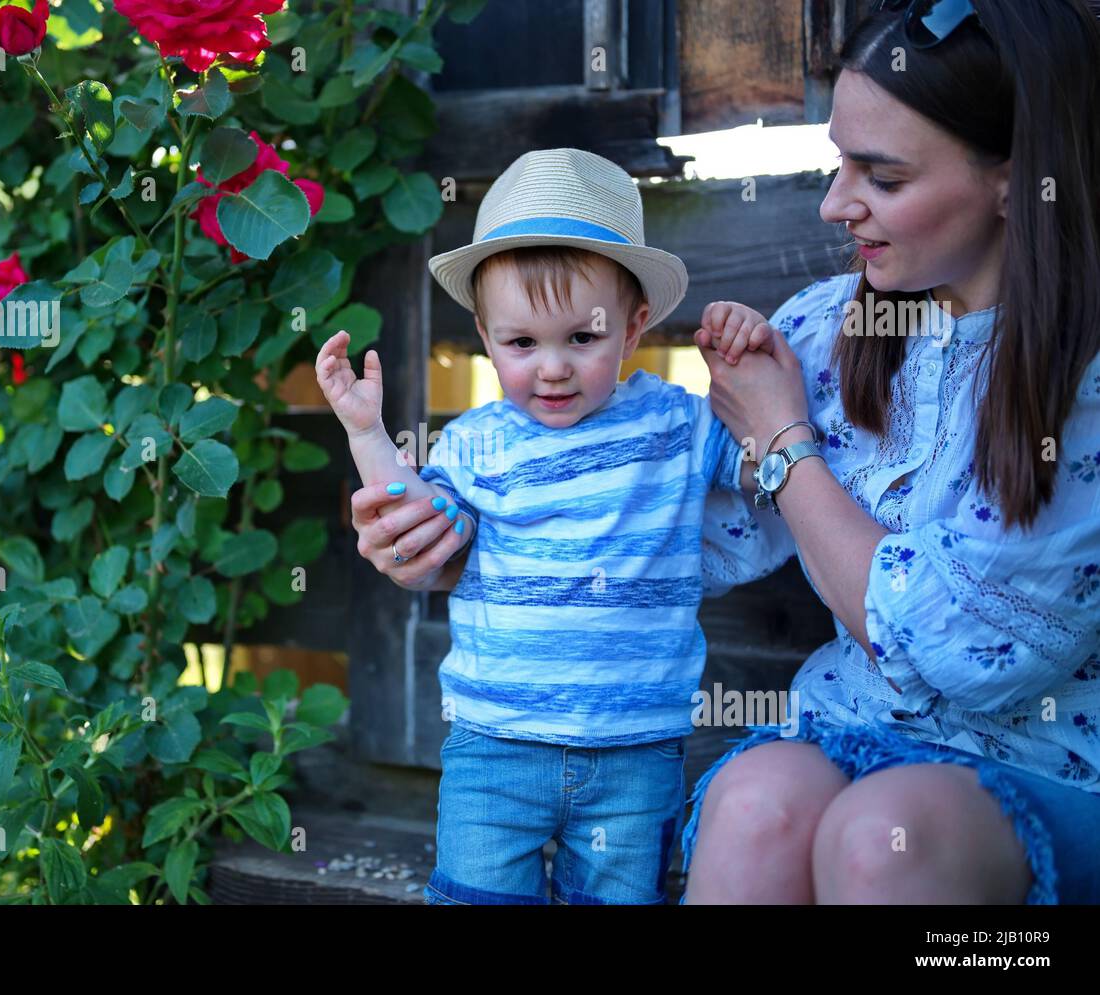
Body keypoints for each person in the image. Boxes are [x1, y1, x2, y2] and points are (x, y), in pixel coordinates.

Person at [356, 0, 1100, 905]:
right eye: (837, 161)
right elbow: (678, 531)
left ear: (1017, 179)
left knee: (882, 840)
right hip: (852, 724)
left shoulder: (1081, 379)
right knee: (752, 805)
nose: (836, 203)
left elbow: (971, 656)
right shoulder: (823, 336)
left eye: (884, 175)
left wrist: (787, 444)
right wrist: (464, 544)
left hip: (1040, 759)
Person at [315, 147, 775, 904]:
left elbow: (764, 462)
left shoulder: (676, 424)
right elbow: (415, 531)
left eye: (582, 339)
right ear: (485, 335)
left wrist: (749, 355)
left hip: (635, 750)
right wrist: (368, 434)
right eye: (522, 343)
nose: (551, 367)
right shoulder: (473, 443)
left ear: (633, 326)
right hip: (496, 746)